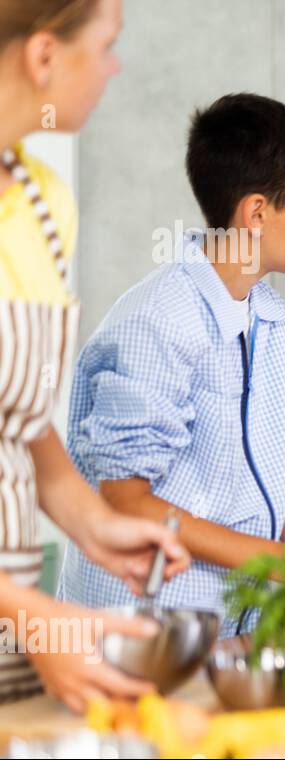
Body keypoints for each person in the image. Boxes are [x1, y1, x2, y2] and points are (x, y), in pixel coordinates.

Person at [59, 93, 285, 637]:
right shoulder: (160, 322)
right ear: (258, 213)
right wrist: (281, 563)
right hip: (144, 630)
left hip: (232, 627)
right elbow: (127, 503)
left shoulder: (269, 314)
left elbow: (253, 468)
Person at [0, 0, 188, 711]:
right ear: (44, 55)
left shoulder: (45, 207)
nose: (115, 67)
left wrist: (88, 517)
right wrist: (25, 611)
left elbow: (15, 416)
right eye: (106, 45)